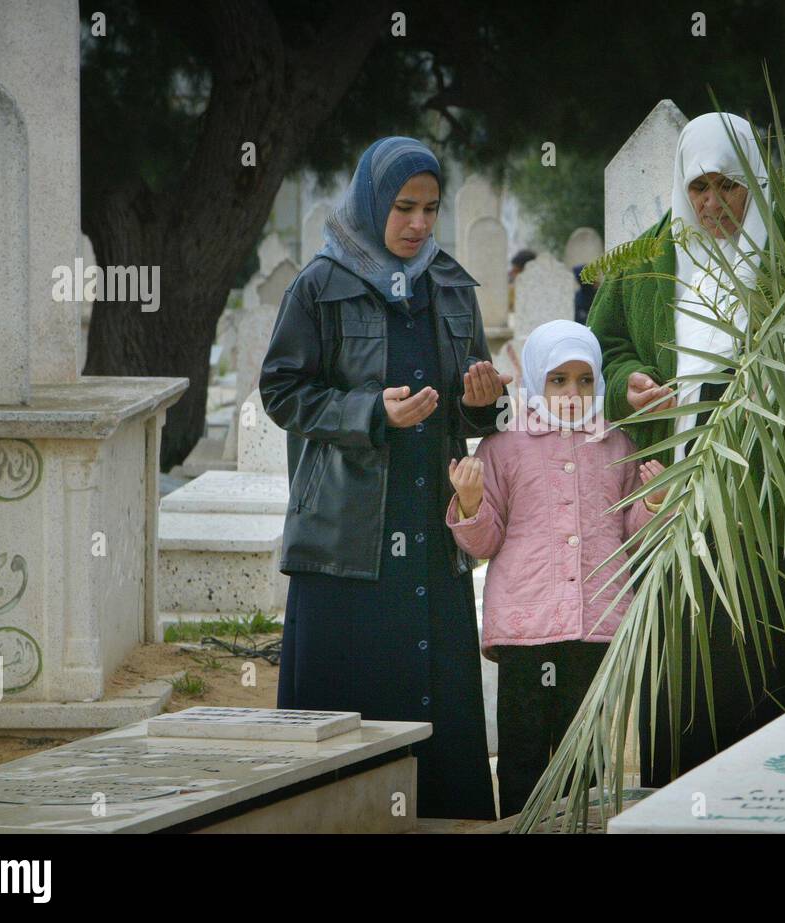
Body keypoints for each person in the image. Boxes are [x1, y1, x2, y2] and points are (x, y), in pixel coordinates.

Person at [259, 136, 512, 821]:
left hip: (430, 528)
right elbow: (282, 391)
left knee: (430, 697)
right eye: (404, 207)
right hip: (346, 534)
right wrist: (371, 411)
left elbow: (480, 409)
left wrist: (484, 403)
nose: (420, 224)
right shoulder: (320, 285)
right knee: (350, 701)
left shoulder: (450, 285)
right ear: (373, 204)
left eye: (431, 209)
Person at [586, 112, 785, 788]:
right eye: (698, 187)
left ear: (753, 184)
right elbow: (602, 347)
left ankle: (771, 800)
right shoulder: (641, 261)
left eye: (728, 186)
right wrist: (624, 385)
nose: (711, 204)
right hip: (672, 494)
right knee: (685, 656)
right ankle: (679, 799)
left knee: (765, 649)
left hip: (771, 501)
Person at [444, 319, 667, 818]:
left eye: (585, 380)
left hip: (596, 624)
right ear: (536, 378)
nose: (572, 392)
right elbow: (486, 542)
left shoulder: (618, 444)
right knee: (522, 751)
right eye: (558, 379)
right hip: (527, 630)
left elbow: (632, 535)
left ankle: (579, 828)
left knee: (586, 752)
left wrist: (652, 502)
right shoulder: (504, 445)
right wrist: (472, 500)